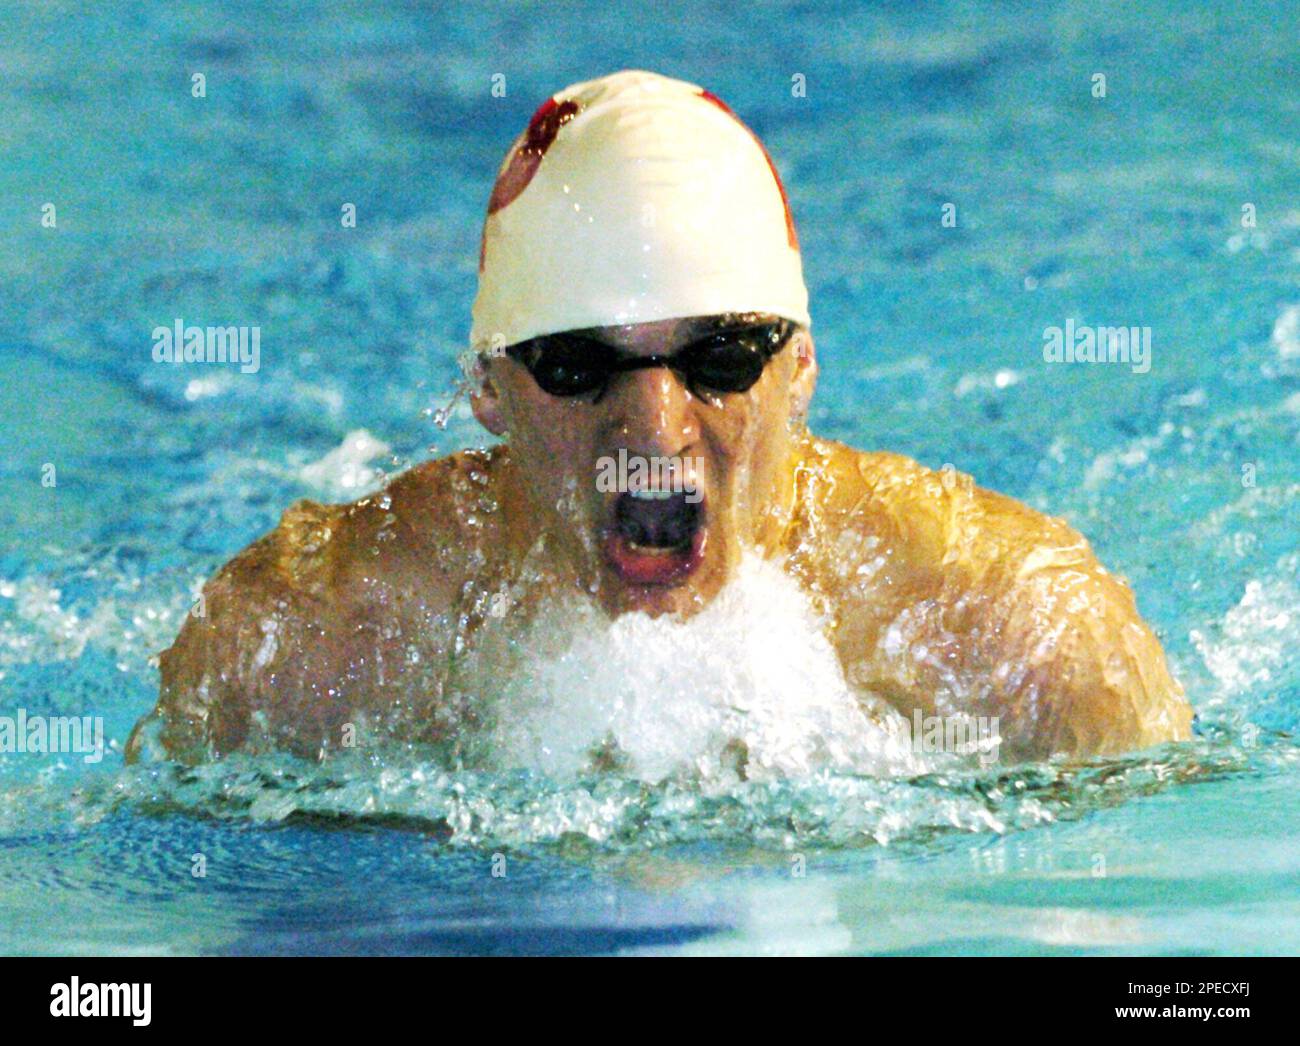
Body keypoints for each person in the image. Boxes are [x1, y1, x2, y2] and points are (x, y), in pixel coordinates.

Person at [126, 70, 1192, 767]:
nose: (652, 428)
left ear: (800, 370)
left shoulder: (1022, 643)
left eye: (720, 359)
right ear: (488, 391)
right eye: (578, 365)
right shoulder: (299, 651)